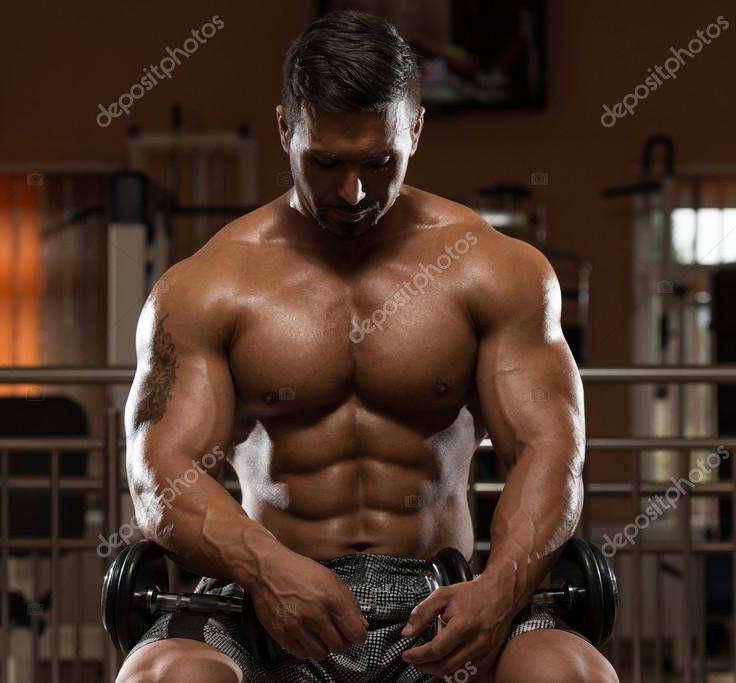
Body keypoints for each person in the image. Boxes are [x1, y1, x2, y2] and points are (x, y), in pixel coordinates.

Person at [116, 10, 617, 683]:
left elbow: (548, 448)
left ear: (414, 130)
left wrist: (499, 589)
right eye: (324, 163)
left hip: (442, 595)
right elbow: (158, 470)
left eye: (378, 163)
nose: (352, 192)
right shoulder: (209, 287)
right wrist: (265, 568)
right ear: (283, 129)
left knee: (569, 674)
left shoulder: (494, 270)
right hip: (266, 593)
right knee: (164, 677)